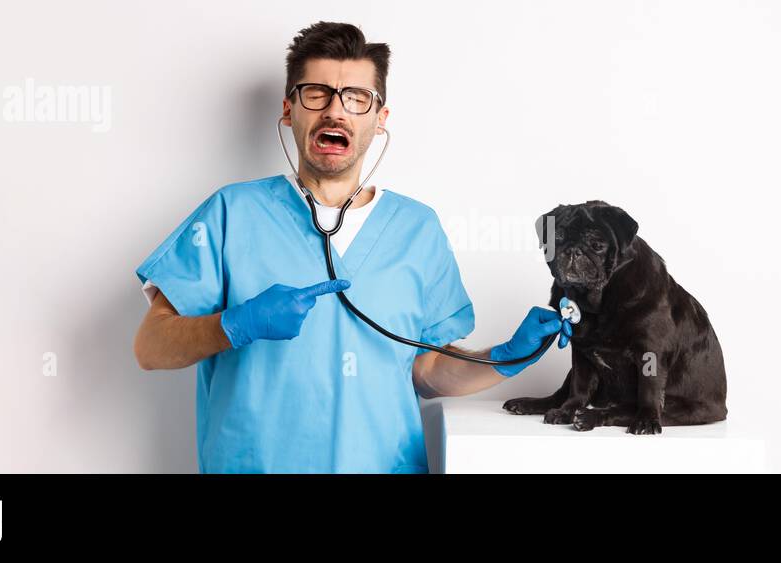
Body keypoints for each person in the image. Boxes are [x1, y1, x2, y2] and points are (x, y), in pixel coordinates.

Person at [131, 21, 563, 473]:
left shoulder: (417, 229)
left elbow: (428, 371)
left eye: (357, 98)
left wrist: (510, 355)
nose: (335, 111)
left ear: (380, 120)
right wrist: (237, 324)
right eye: (316, 93)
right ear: (288, 109)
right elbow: (150, 346)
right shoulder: (230, 214)